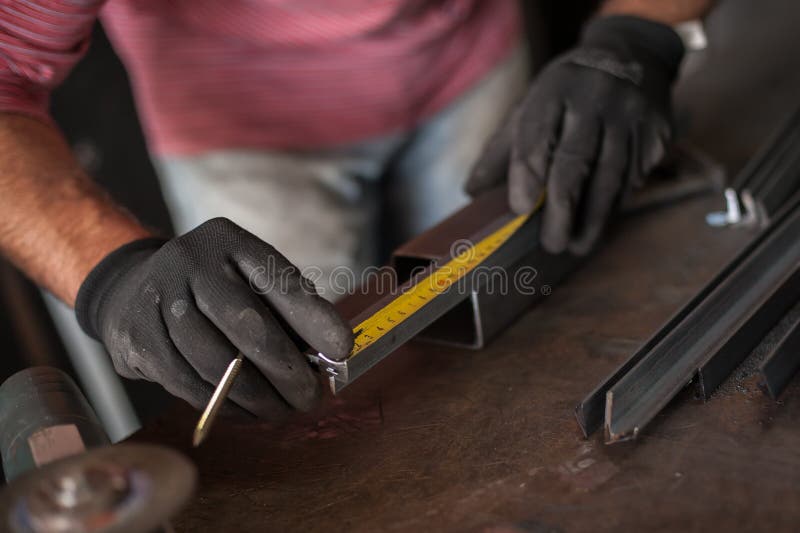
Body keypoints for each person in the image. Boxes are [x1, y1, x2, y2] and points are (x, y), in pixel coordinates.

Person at [0, 0, 713, 422]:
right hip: (240, 120)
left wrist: (640, 35)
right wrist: (108, 270)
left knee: (521, 334)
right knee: (306, 408)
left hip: (472, 55)